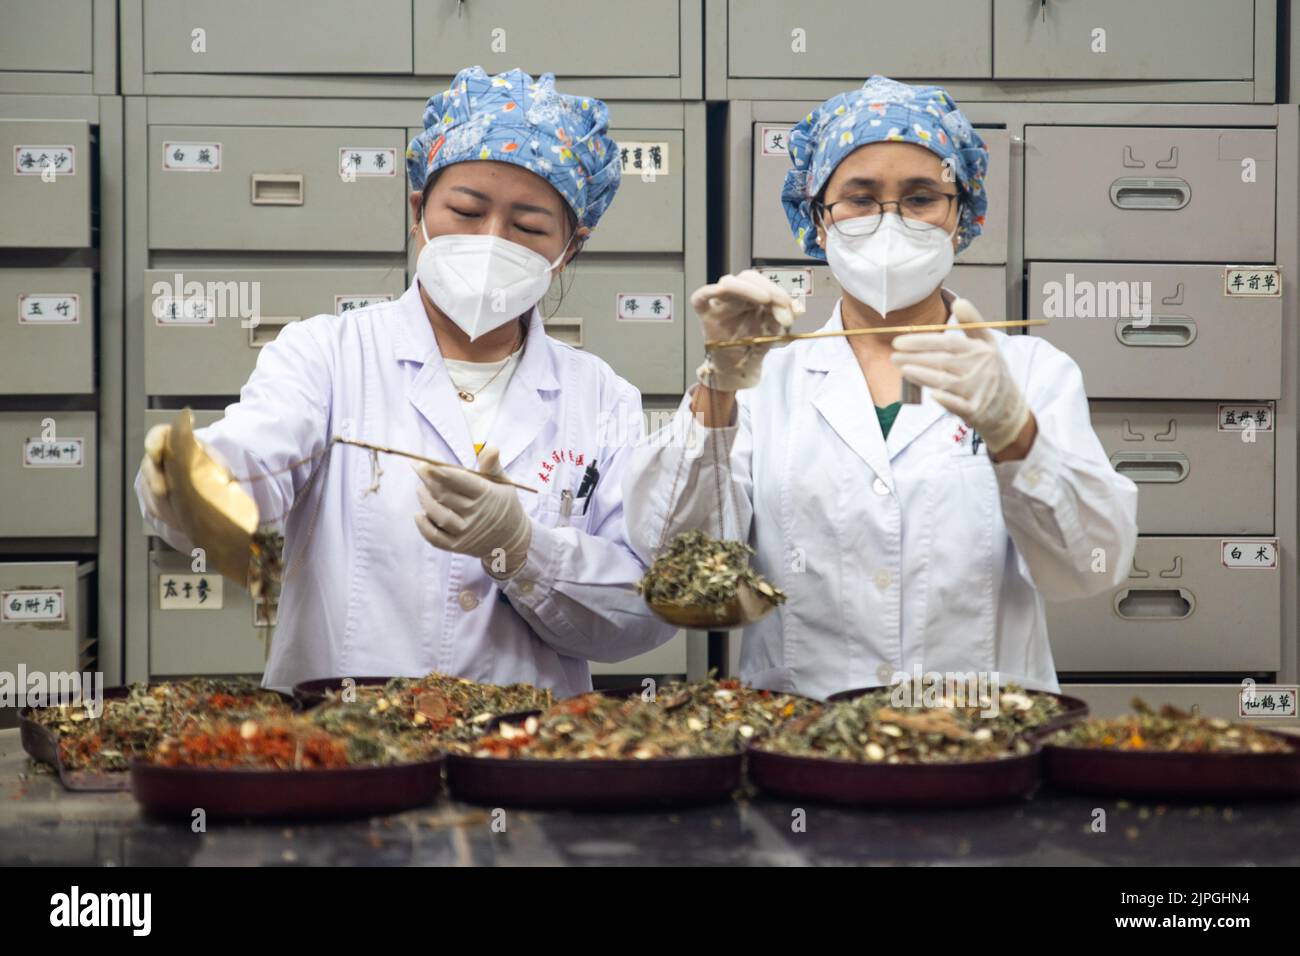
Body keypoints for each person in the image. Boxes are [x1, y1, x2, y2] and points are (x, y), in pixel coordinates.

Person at [135, 66, 675, 695]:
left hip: (528, 754)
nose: (490, 240)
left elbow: (639, 614)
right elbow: (254, 459)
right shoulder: (328, 355)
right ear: (419, 210)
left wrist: (523, 550)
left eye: (528, 228)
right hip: (347, 751)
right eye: (467, 211)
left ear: (569, 249)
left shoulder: (601, 397)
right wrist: (190, 478)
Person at [624, 75, 1138, 699]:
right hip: (804, 743)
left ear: (962, 216)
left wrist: (1015, 435)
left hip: (980, 741)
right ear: (817, 219)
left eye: (922, 198)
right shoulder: (761, 384)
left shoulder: (1032, 372)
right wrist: (720, 386)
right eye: (860, 199)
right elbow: (671, 561)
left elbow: (1090, 568)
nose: (890, 221)